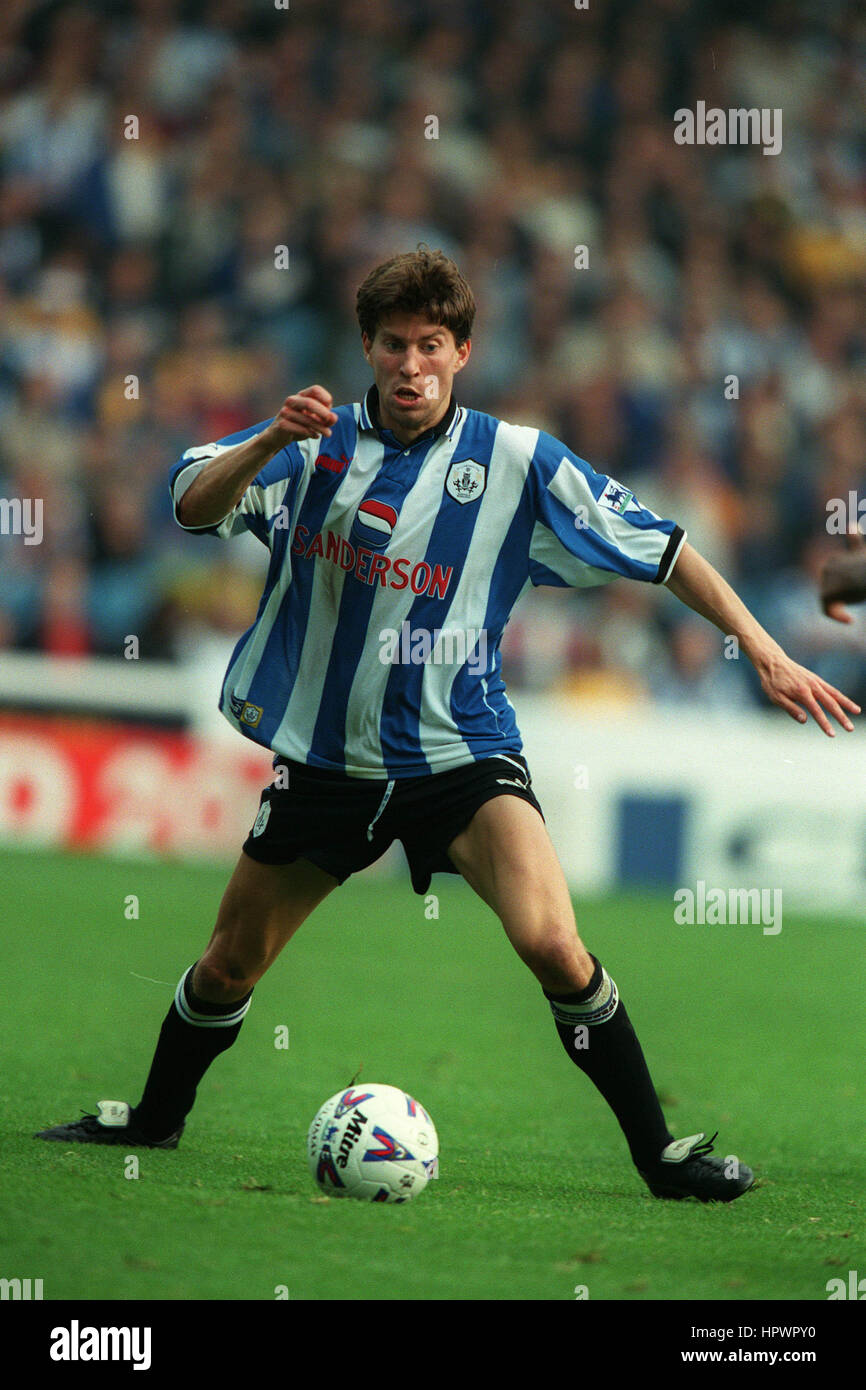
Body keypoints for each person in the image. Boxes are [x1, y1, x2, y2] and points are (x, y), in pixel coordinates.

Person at [37, 248, 859, 1201]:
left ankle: (661, 1157)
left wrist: (760, 645)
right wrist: (264, 441)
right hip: (329, 763)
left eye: (433, 345)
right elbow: (189, 506)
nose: (412, 365)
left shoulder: (518, 460)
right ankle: (153, 1120)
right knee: (227, 966)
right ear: (369, 349)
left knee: (554, 943)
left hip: (461, 757)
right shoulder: (311, 443)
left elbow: (666, 549)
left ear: (463, 352)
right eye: (395, 345)